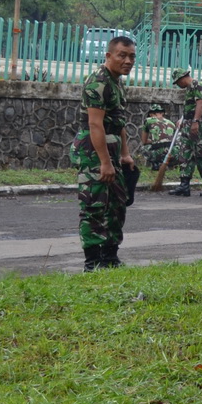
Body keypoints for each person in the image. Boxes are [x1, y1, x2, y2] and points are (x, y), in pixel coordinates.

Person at [73, 35, 136, 270]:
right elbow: (95, 125)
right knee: (94, 206)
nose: (128, 61)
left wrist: (124, 154)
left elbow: (118, 122)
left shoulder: (116, 82)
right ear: (109, 56)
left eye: (132, 57)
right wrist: (105, 163)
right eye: (122, 55)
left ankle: (110, 258)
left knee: (117, 205)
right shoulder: (97, 83)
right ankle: (92, 262)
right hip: (93, 151)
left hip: (112, 150)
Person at [169, 68, 202, 197]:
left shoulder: (197, 86)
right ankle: (184, 185)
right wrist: (182, 120)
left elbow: (200, 103)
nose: (178, 85)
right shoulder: (189, 89)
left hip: (199, 125)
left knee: (201, 154)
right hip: (188, 124)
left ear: (182, 78)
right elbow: (190, 107)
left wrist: (195, 122)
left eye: (177, 82)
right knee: (185, 153)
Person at [139, 103, 176, 171]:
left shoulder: (148, 120)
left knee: (143, 148)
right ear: (162, 113)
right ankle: (171, 164)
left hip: (159, 152)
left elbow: (144, 141)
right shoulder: (171, 123)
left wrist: (154, 141)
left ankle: (156, 163)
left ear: (150, 114)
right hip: (173, 152)